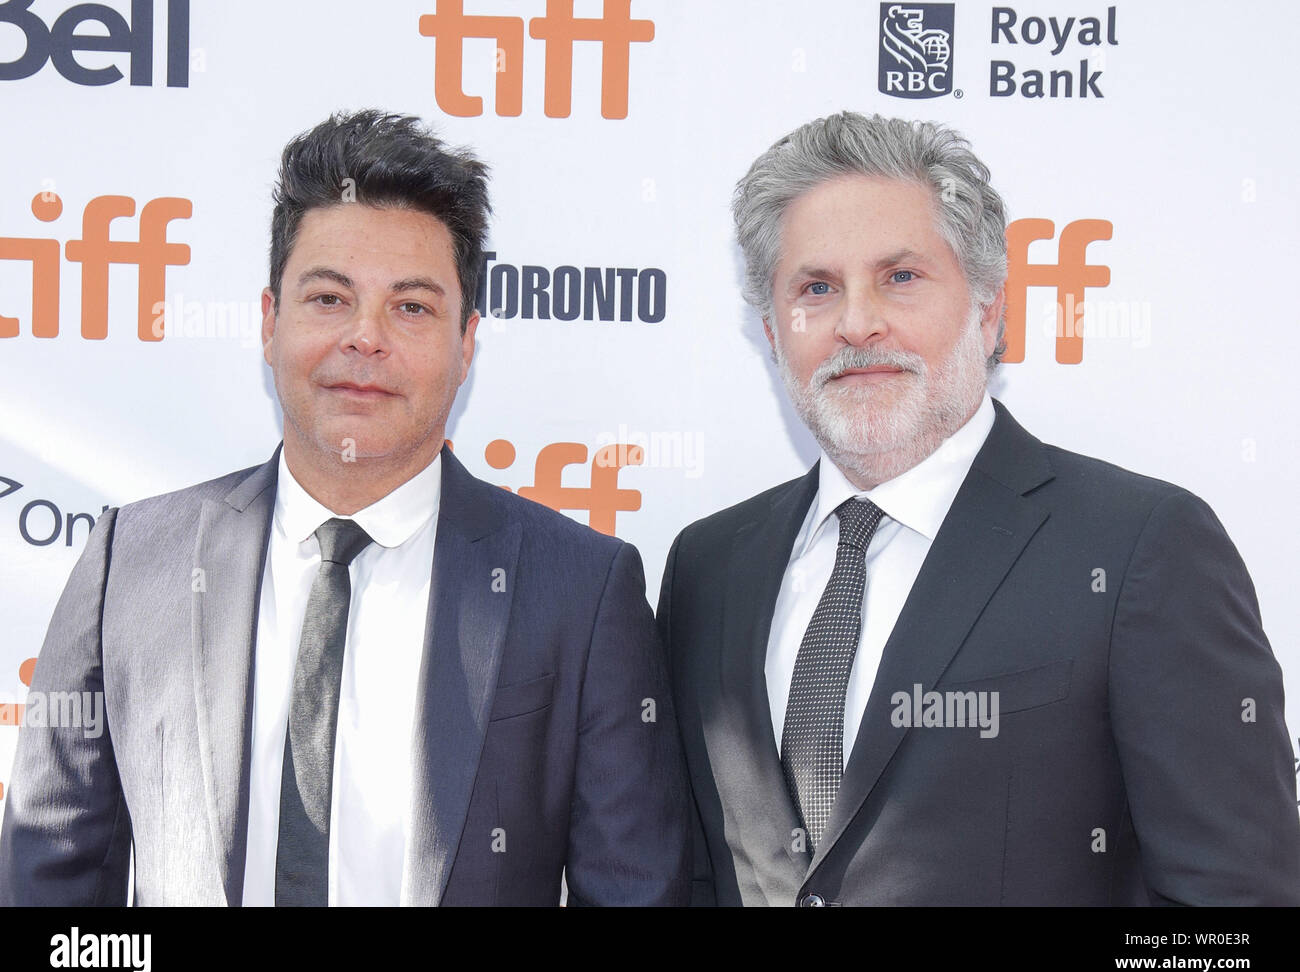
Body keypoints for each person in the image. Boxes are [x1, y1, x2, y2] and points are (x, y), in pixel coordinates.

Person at [0, 109, 690, 907]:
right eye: (329, 297)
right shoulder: (134, 562)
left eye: (411, 307)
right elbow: (49, 889)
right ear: (269, 322)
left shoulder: (580, 589)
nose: (365, 338)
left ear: (467, 343)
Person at [656, 110, 1300, 906]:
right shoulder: (710, 567)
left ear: (990, 308)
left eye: (901, 276)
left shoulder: (1140, 549)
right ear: (771, 332)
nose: (858, 323)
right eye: (816, 288)